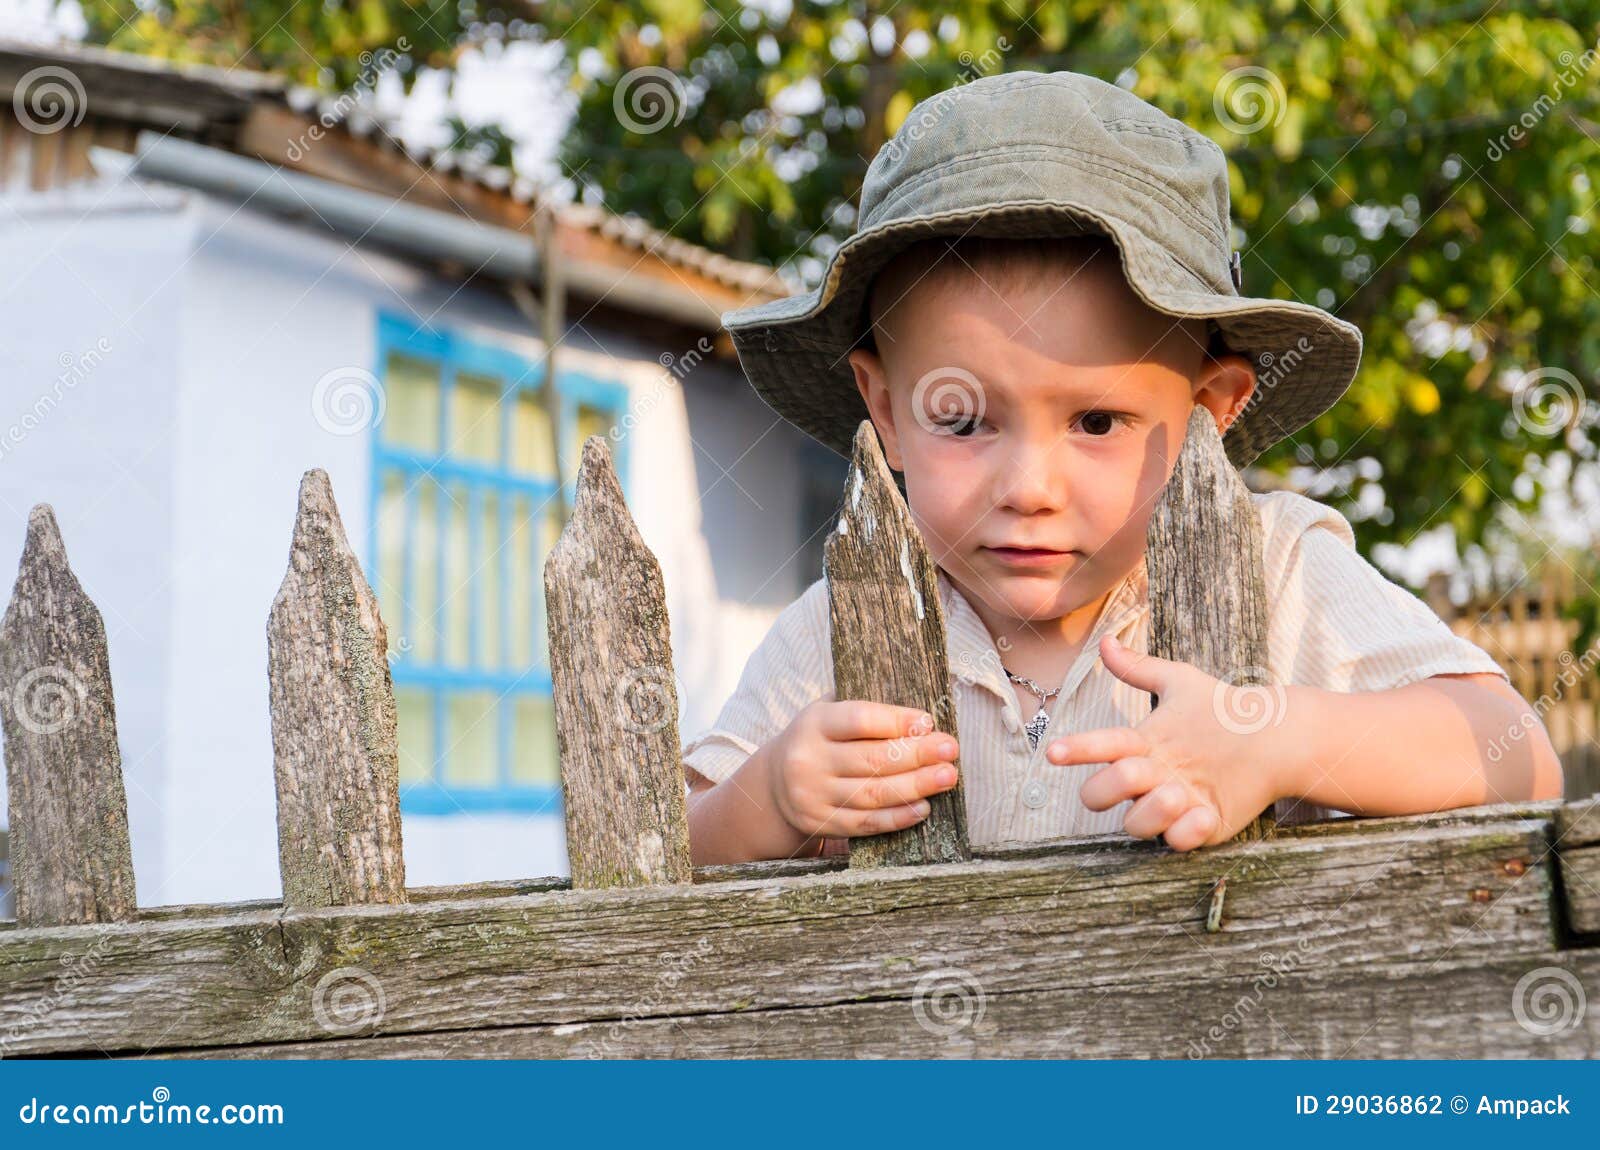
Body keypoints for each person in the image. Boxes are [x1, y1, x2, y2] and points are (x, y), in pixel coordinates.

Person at [681, 71, 1563, 865]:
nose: (1029, 489)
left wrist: (1277, 737)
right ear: (885, 414)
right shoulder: (853, 614)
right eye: (962, 419)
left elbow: (1514, 753)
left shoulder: (1277, 569)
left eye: (1096, 420)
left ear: (1212, 409)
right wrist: (772, 796)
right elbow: (670, 844)